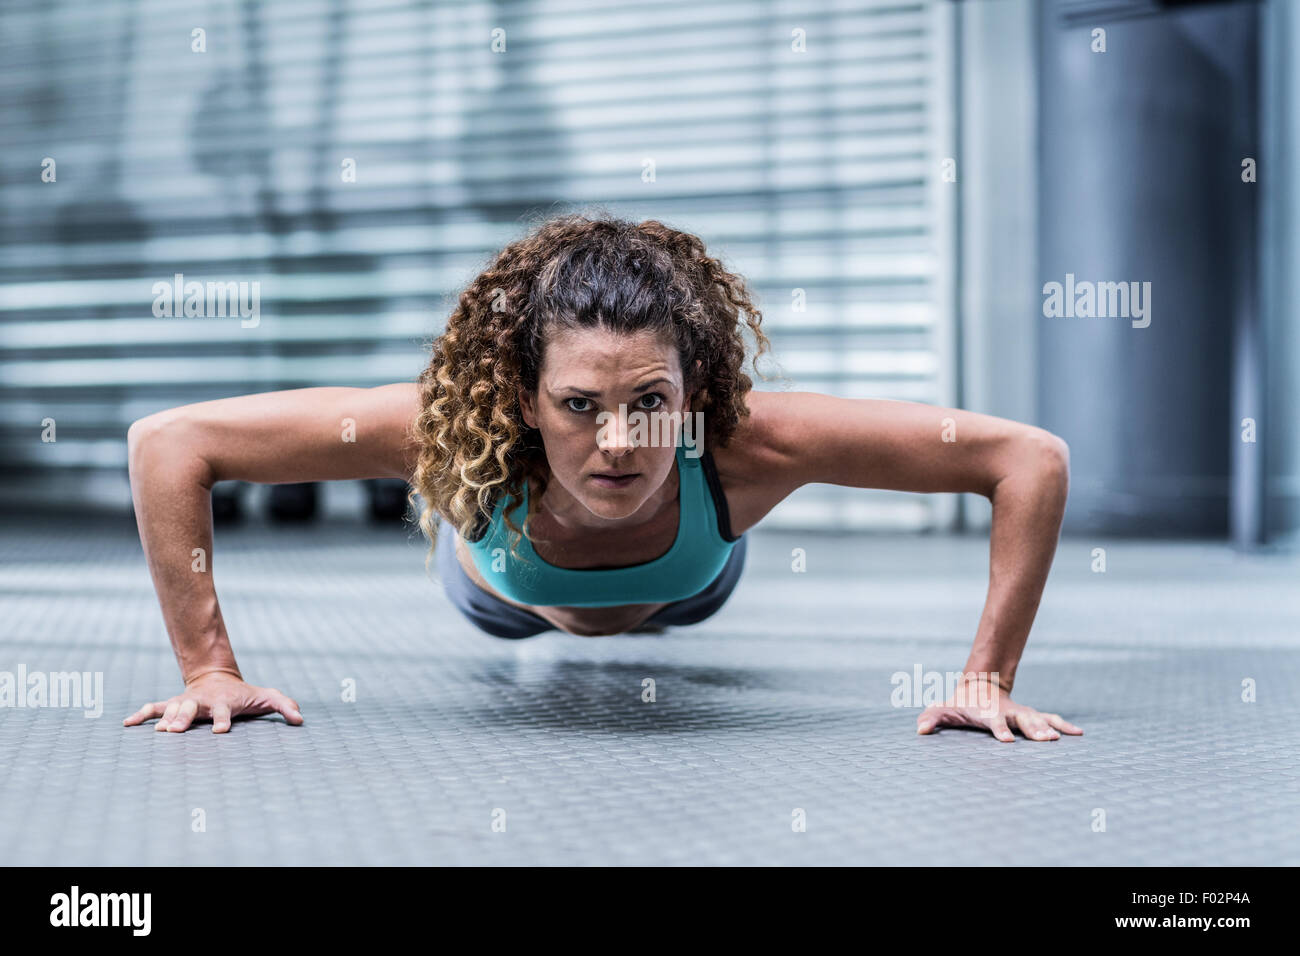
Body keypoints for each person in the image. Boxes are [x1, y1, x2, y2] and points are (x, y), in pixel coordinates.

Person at [123, 213, 1082, 744]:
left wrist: (985, 680)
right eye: (579, 404)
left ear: (696, 388)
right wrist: (211, 670)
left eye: (650, 401)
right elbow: (170, 444)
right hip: (503, 599)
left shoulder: (751, 444)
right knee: (490, 568)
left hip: (691, 587)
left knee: (690, 568)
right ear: (525, 397)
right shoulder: (448, 432)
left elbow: (1025, 458)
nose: (619, 442)